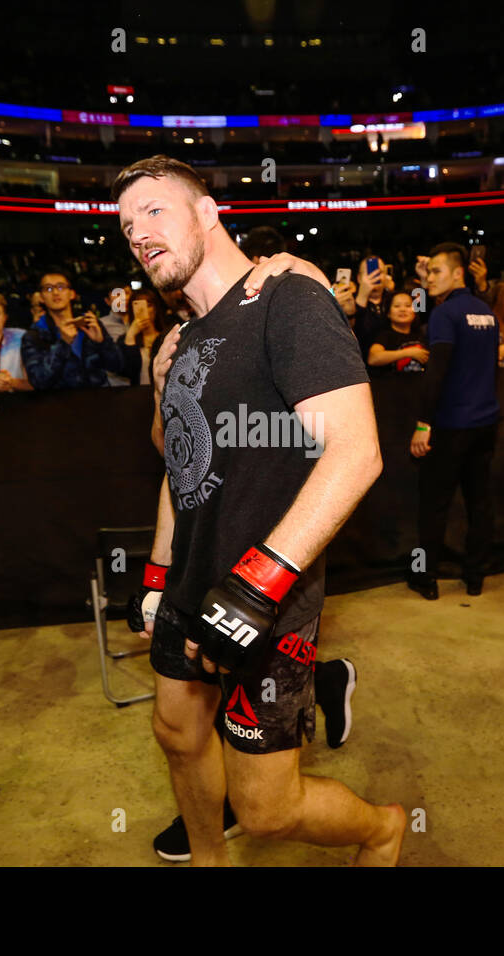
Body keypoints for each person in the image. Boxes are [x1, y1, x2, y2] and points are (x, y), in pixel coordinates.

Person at [113, 155, 403, 867]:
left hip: (269, 598)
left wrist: (256, 586)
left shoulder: (288, 297)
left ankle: (384, 829)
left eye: (154, 211)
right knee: (178, 734)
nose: (138, 233)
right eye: (126, 226)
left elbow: (357, 451)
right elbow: (180, 465)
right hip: (190, 582)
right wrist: (157, 573)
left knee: (268, 811)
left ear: (208, 212)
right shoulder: (182, 339)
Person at [407, 242, 501, 600]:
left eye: (436, 271)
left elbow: (436, 373)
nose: (429, 278)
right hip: (486, 423)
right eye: (428, 272)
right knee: (480, 502)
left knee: (434, 505)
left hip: (451, 425)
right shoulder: (486, 311)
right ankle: (475, 577)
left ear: (458, 273)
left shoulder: (445, 314)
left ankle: (425, 578)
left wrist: (423, 423)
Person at [20, 271, 124, 390]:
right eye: (48, 288)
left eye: (61, 287)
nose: (55, 292)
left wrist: (102, 342)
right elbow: (38, 382)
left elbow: (118, 366)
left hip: (99, 397)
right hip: (59, 401)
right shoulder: (34, 335)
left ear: (72, 294)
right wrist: (63, 344)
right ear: (42, 297)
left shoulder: (89, 323)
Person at [366, 292, 429, 375]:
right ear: (388, 313)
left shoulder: (421, 334)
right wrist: (409, 353)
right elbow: (373, 358)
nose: (402, 309)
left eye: (408, 306)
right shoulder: (384, 335)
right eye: (397, 306)